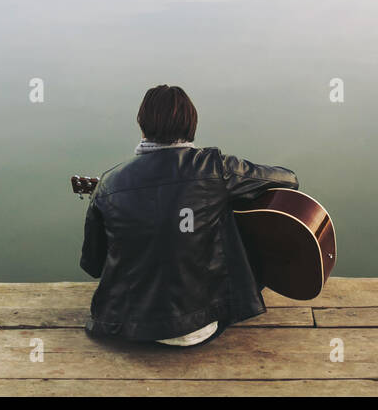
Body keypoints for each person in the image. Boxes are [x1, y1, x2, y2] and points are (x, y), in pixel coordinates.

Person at [80, 85, 298, 346]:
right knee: (224, 211)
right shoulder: (215, 168)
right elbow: (289, 180)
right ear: (192, 124)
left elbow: (92, 265)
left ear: (142, 127)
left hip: (128, 327)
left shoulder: (109, 183)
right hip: (202, 325)